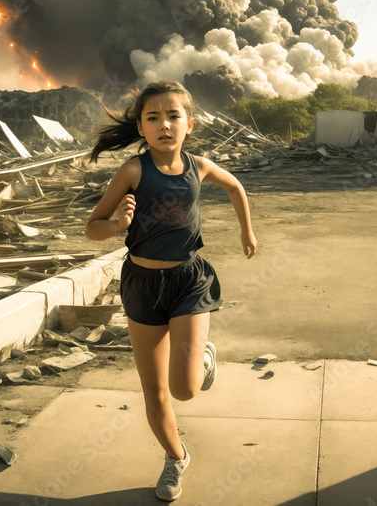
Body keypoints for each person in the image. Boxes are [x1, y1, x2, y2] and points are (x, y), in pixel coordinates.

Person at [85, 79, 256, 501]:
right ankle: (176, 458)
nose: (164, 124)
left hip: (188, 282)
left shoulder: (199, 166)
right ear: (141, 128)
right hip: (142, 285)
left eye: (173, 115)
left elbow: (235, 187)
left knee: (185, 389)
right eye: (153, 117)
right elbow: (92, 228)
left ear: (190, 124)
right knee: (156, 391)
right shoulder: (131, 171)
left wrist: (246, 230)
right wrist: (119, 226)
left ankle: (202, 357)